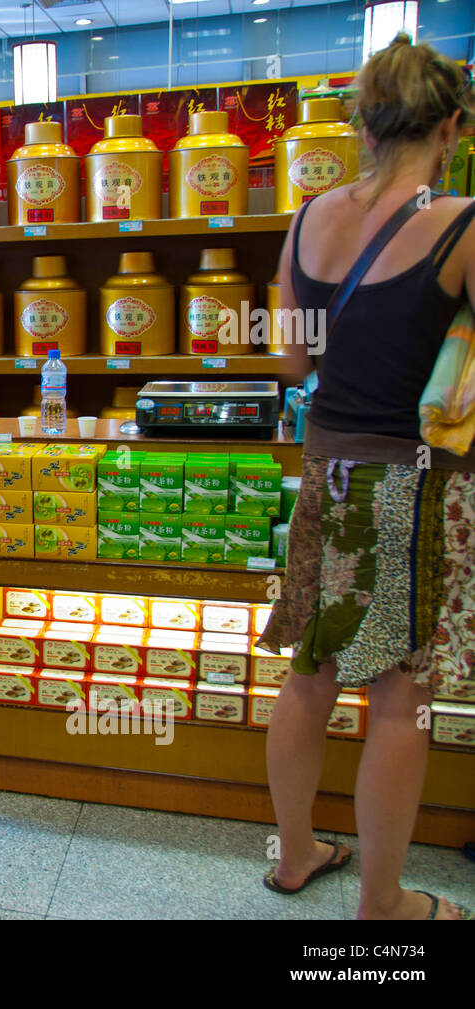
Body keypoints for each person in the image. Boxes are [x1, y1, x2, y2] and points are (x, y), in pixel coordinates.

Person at [258, 34, 475, 921]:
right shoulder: (461, 220)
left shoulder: (310, 217)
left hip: (325, 473)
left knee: (310, 674)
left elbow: (291, 360)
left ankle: (295, 854)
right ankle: (382, 902)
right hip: (408, 488)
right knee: (400, 695)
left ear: (362, 122)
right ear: (451, 126)